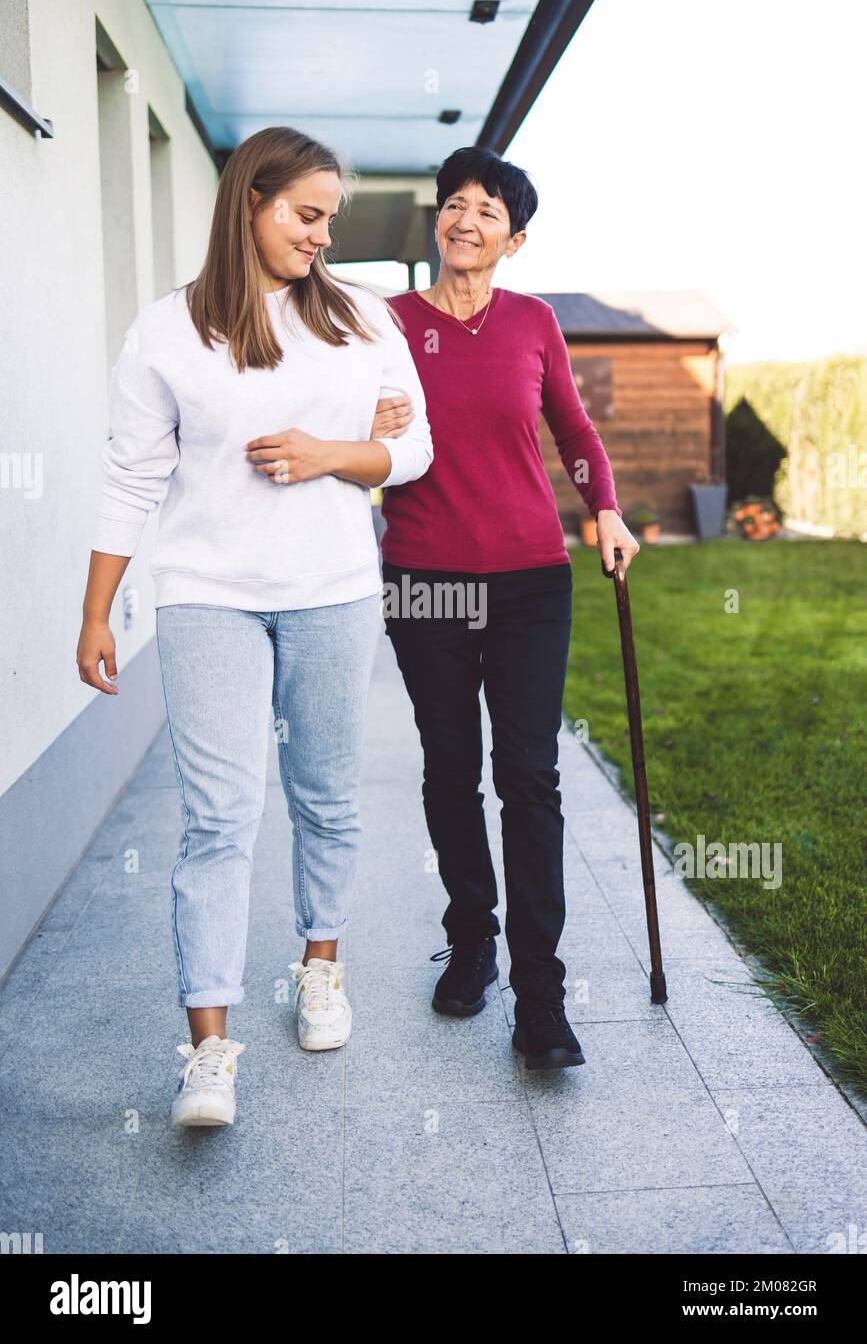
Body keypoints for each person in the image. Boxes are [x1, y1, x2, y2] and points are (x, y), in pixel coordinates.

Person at [76, 126, 432, 1126]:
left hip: (332, 591)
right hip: (207, 598)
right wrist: (97, 609)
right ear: (250, 201)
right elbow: (132, 477)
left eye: (331, 219)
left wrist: (333, 453)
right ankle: (210, 1051)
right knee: (219, 819)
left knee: (325, 798)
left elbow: (414, 452)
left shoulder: (361, 320)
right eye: (306, 214)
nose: (323, 235)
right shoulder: (166, 332)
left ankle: (320, 965)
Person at [377, 146, 639, 1070]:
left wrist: (602, 507)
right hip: (423, 578)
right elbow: (349, 416)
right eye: (453, 204)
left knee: (528, 777)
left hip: (531, 580)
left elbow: (572, 429)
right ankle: (471, 941)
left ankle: (540, 995)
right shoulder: (387, 322)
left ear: (513, 239)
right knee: (450, 770)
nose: (465, 220)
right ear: (437, 223)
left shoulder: (532, 324)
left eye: (487, 211)